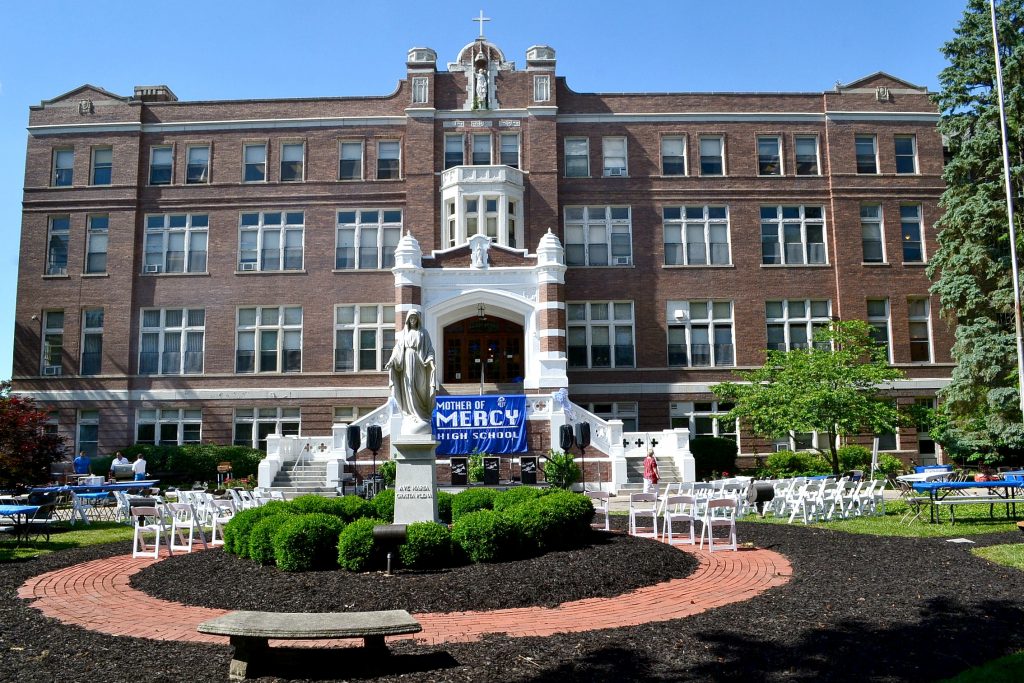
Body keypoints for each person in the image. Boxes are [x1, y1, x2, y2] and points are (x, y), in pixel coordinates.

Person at [384, 307, 436, 435]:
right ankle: (412, 414)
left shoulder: (423, 333)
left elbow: (430, 349)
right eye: (411, 318)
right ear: (408, 319)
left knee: (421, 388)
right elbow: (397, 350)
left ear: (418, 319)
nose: (413, 320)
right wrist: (391, 361)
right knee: (409, 388)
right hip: (407, 361)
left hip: (420, 363)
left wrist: (431, 361)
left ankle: (421, 414)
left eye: (415, 318)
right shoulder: (404, 334)